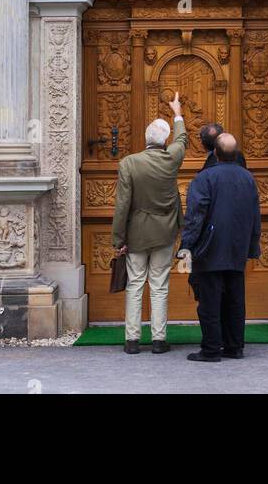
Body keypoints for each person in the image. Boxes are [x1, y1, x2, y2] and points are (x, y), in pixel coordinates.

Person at [111, 91, 187, 355]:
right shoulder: (172, 158)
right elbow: (182, 139)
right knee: (159, 285)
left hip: (136, 234)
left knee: (134, 285)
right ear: (164, 141)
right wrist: (177, 113)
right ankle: (158, 340)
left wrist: (118, 240)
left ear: (146, 140)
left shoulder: (129, 164)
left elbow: (122, 206)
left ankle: (131, 341)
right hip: (165, 233)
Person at [179, 132, 261, 363]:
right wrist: (252, 246)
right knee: (235, 300)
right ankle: (234, 347)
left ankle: (212, 348)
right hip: (237, 248)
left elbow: (195, 216)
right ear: (235, 154)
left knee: (209, 302)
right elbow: (255, 215)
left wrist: (186, 246)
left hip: (209, 248)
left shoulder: (204, 179)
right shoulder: (248, 178)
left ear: (215, 153)